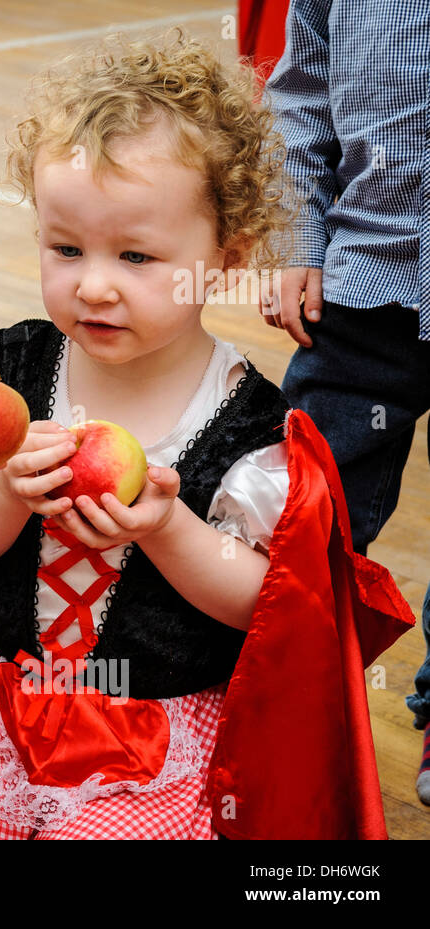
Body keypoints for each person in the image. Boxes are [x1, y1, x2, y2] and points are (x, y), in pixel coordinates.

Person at [0, 33, 412, 839]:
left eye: (136, 255)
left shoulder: (254, 429)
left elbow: (261, 605)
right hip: (1, 705)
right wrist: (3, 488)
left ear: (224, 257)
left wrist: (169, 527)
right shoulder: (6, 373)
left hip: (154, 732)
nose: (93, 282)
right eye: (65, 248)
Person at [259, 0, 430, 806]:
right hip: (362, 286)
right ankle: (272, 707)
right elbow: (302, 91)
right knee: (301, 520)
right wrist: (300, 237)